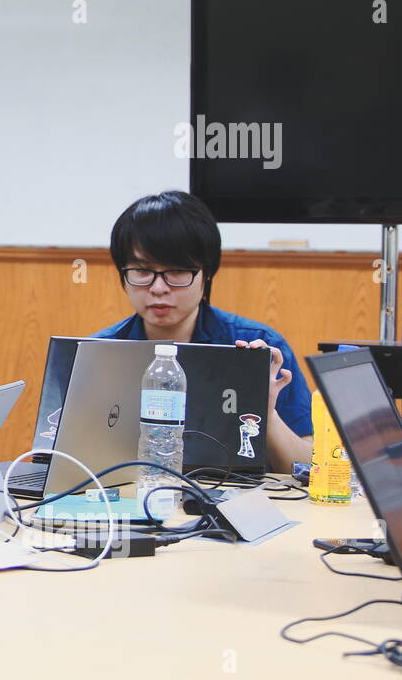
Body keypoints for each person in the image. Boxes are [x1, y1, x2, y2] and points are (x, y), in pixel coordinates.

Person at [93, 190, 312, 473]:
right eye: (141, 270)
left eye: (177, 271)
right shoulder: (99, 352)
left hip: (235, 507)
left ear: (206, 273)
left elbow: (306, 469)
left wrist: (266, 413)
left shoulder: (258, 348)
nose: (158, 287)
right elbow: (67, 461)